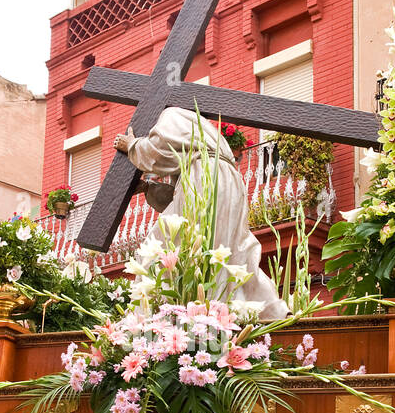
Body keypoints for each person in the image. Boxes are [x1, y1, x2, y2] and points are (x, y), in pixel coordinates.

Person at [114, 108, 287, 320]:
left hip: (206, 180)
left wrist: (133, 145)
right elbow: (180, 198)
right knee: (229, 250)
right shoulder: (208, 140)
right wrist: (149, 188)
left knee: (160, 250)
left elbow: (158, 151)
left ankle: (160, 319)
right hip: (227, 187)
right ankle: (247, 309)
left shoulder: (174, 114)